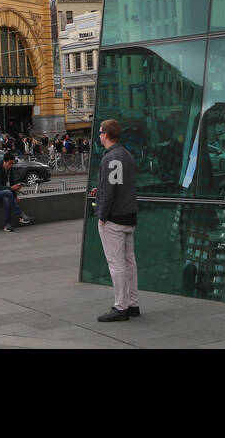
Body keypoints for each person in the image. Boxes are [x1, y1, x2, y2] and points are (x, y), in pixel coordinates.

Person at [94, 119, 139, 322]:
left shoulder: (110, 158)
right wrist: (101, 188)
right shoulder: (127, 155)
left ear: (105, 134)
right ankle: (132, 303)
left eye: (100, 133)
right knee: (130, 261)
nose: (99, 136)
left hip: (114, 218)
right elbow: (119, 184)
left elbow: (111, 191)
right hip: (129, 215)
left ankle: (120, 307)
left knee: (116, 263)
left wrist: (102, 216)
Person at [0, 152, 32, 233]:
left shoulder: (11, 169)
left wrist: (15, 196)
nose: (11, 166)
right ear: (4, 161)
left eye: (12, 163)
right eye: (10, 163)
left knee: (7, 199)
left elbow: (13, 183)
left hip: (4, 193)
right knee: (7, 193)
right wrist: (11, 188)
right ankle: (20, 215)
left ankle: (7, 225)